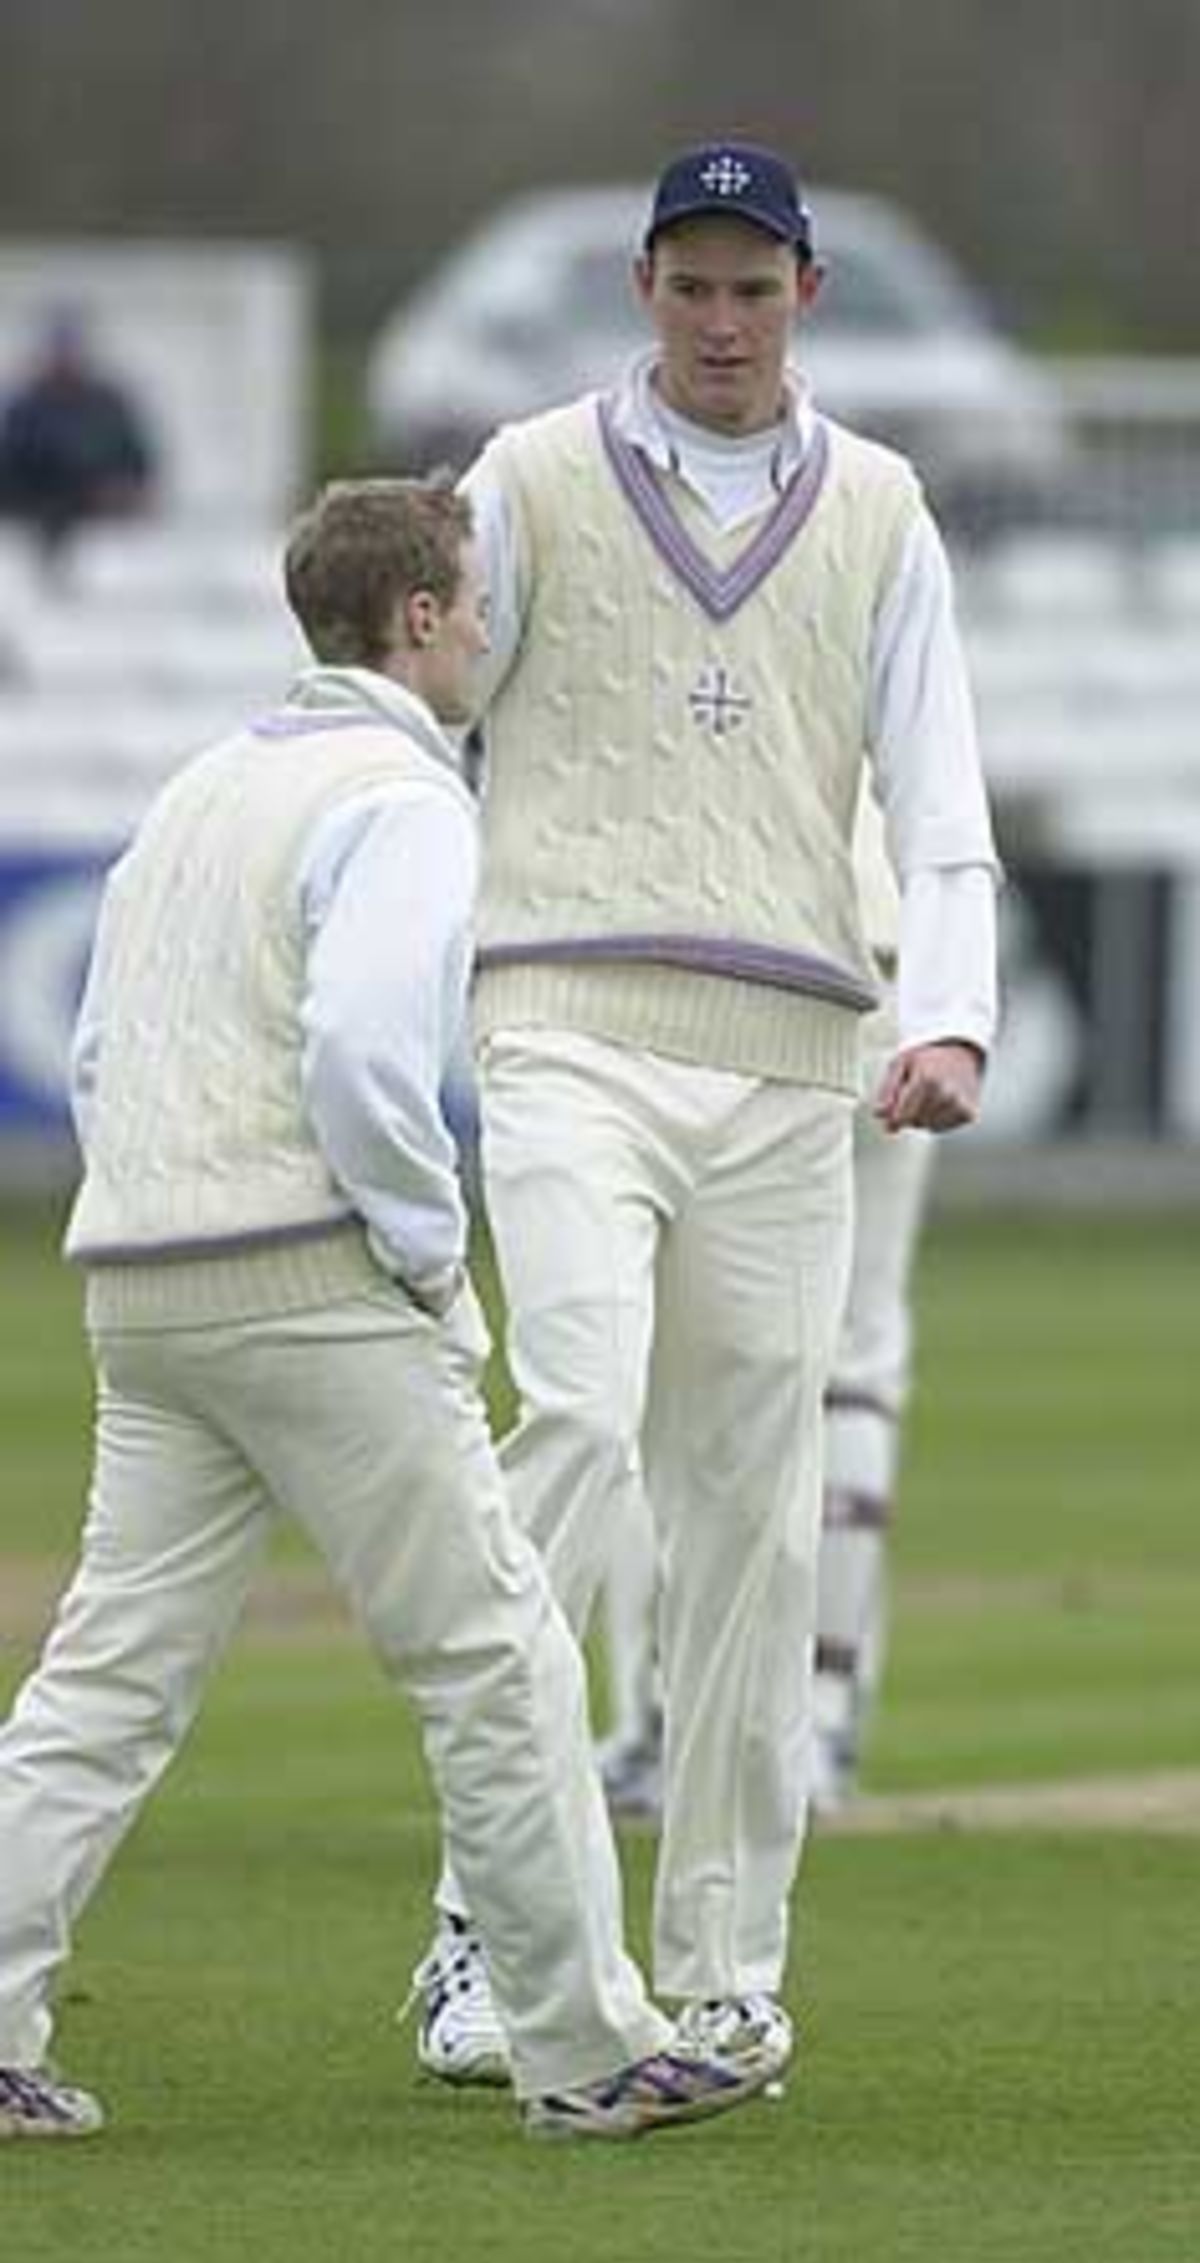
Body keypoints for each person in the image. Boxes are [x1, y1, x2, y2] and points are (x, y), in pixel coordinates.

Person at [0, 476, 768, 2145]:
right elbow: (361, 1049)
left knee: (104, 1680)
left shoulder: (200, 788)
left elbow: (93, 1055)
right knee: (497, 1657)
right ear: (417, 617)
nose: (487, 630)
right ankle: (585, 2044)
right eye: (475, 604)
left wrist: (162, 1210)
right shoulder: (406, 797)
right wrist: (423, 1249)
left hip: (137, 1280)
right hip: (310, 1272)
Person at [405, 138, 999, 2097]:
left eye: (756, 288)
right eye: (692, 285)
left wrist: (954, 1020)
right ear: (645, 290)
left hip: (792, 1052)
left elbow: (937, 785)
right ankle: (479, 1928)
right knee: (573, 1417)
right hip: (566, 1013)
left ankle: (727, 1971)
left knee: (748, 1512)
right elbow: (420, 713)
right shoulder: (529, 471)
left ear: (805, 295)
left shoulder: (889, 509)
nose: (723, 323)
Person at [597, 788, 937, 1822]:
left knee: (676, 1360)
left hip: (743, 959)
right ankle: (819, 1724)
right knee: (853, 1358)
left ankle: (667, 1719)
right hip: (889, 958)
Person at [0, 310, 156, 559]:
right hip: (37, 508)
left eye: (69, 349)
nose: (64, 358)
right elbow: (9, 465)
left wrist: (124, 490)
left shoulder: (108, 403)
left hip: (101, 514)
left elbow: (139, 463)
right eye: (59, 350)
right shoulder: (24, 404)